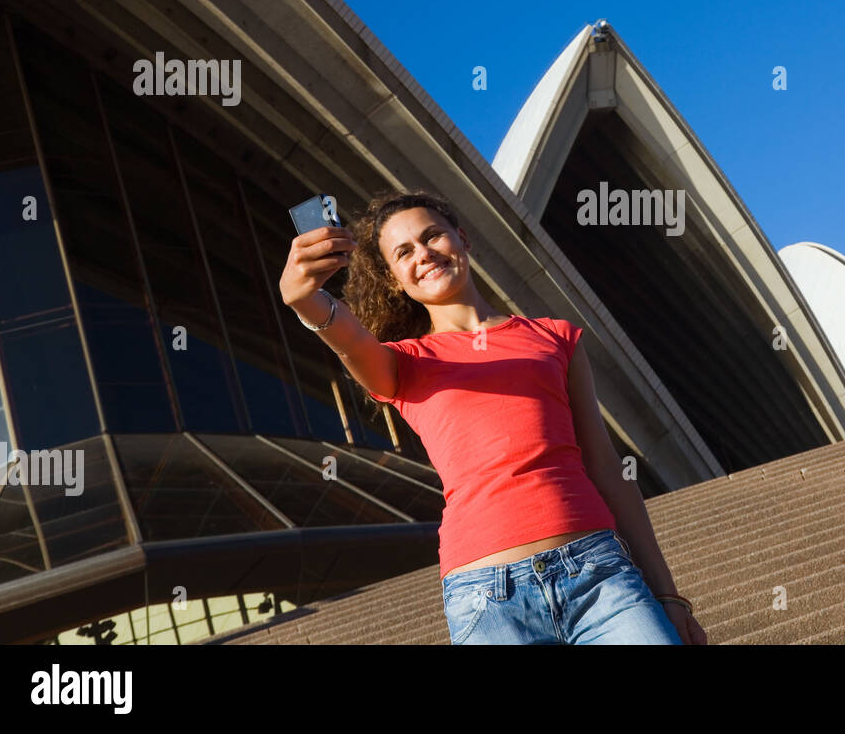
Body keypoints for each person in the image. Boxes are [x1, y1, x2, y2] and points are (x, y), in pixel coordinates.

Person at [279, 188, 707, 645]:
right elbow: (347, 337)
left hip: (599, 577)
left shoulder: (556, 337)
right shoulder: (402, 363)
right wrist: (304, 299)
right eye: (404, 252)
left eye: (433, 236)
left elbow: (607, 470)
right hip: (486, 599)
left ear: (462, 239)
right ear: (393, 280)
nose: (423, 254)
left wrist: (669, 596)